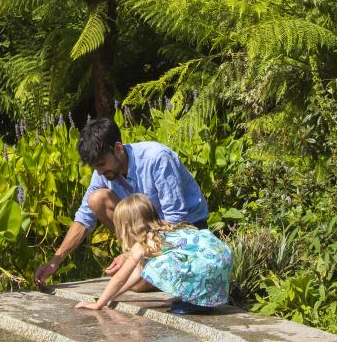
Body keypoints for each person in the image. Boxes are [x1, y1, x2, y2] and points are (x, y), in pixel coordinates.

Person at [34, 117, 209, 286]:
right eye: (95, 167)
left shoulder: (157, 159)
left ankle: (152, 266)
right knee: (97, 199)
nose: (100, 172)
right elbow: (84, 218)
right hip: (150, 236)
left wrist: (131, 255)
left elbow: (176, 219)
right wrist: (55, 261)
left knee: (137, 284)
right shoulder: (103, 172)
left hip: (186, 232)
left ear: (118, 148)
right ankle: (143, 262)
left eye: (101, 164)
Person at [74, 194, 232, 314]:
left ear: (127, 226)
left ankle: (193, 302)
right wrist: (112, 297)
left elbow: (120, 278)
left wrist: (98, 304)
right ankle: (199, 301)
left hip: (203, 270)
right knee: (150, 266)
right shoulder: (170, 228)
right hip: (219, 261)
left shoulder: (144, 244)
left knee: (154, 266)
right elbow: (136, 274)